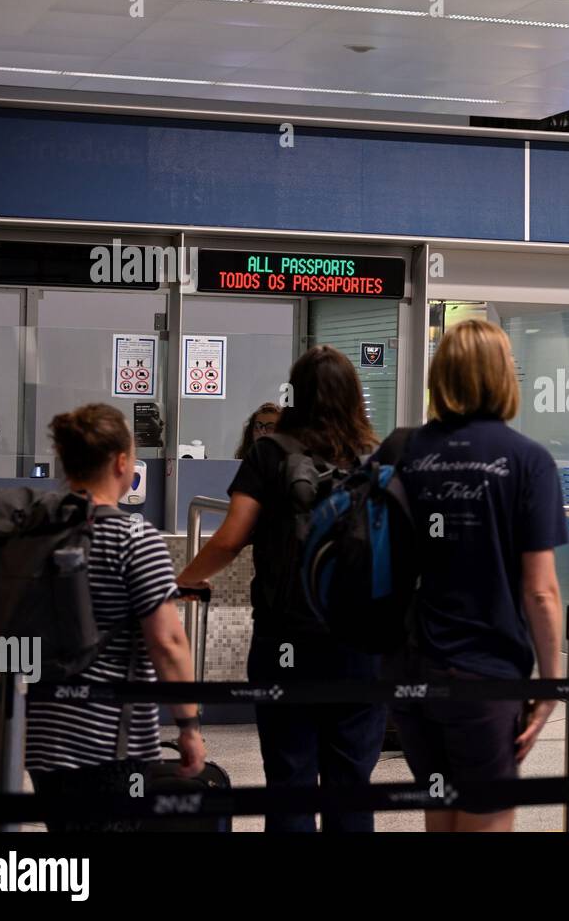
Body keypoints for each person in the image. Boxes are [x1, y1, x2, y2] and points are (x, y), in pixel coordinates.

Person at [178, 346, 386, 832]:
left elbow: (231, 537)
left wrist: (184, 579)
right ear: (355, 397)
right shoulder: (375, 459)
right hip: (361, 644)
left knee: (289, 779)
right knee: (352, 782)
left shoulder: (269, 453)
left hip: (286, 640)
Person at [385, 319, 565, 832]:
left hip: (411, 671)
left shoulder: (405, 452)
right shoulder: (527, 461)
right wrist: (551, 686)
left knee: (439, 815)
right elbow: (541, 590)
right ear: (504, 377)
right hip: (484, 675)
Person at [25, 404, 204, 830]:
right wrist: (189, 725)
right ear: (123, 462)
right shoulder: (134, 537)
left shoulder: (33, 532)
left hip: (43, 738)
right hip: (111, 745)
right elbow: (168, 642)